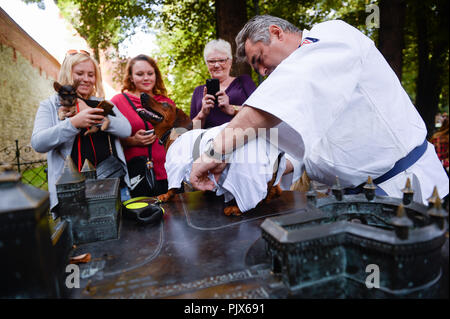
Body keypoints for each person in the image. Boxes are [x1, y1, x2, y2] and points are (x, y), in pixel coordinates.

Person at [189, 15, 449, 205]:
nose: (262, 72)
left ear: (277, 32)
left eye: (260, 60)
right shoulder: (304, 85)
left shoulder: (332, 36)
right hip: (351, 201)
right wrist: (264, 166)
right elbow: (307, 148)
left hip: (407, 191)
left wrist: (214, 151)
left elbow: (269, 105)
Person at [31, 50, 132, 213]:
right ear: (67, 73)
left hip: (113, 184)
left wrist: (96, 118)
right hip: (72, 194)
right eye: (79, 73)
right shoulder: (50, 105)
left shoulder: (102, 103)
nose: (86, 79)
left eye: (91, 74)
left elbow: (126, 130)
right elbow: (38, 142)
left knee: (126, 236)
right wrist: (73, 123)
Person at [111, 54, 173, 197]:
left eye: (150, 73)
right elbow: (109, 140)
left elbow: (178, 135)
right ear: (131, 77)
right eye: (140, 74)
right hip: (137, 176)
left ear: (155, 75)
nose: (146, 78)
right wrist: (132, 141)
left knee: (176, 217)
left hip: (169, 174)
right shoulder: (118, 102)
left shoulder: (166, 102)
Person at [190, 39, 257, 128]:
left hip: (241, 137)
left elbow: (259, 112)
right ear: (207, 64)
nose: (217, 65)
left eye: (222, 60)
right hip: (209, 140)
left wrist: (231, 109)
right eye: (212, 61)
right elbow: (192, 131)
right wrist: (202, 114)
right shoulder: (198, 91)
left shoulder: (244, 82)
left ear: (230, 62)